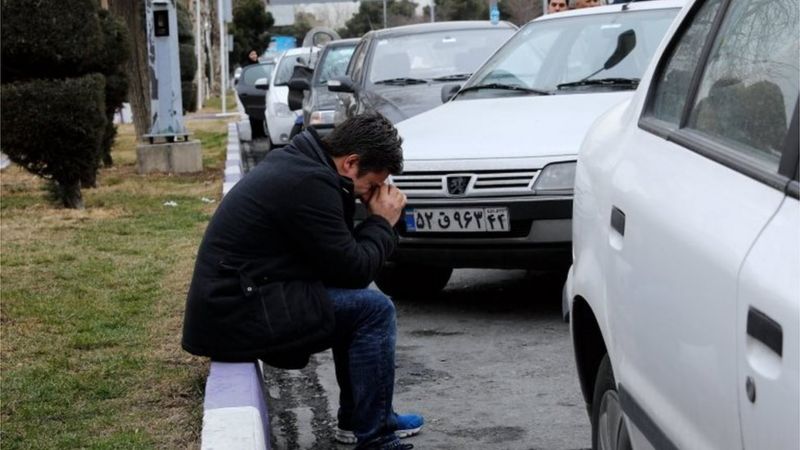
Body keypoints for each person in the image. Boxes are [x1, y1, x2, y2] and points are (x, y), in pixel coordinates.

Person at [181, 113, 423, 450]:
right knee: (374, 309)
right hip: (235, 312)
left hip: (243, 299)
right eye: (371, 186)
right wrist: (381, 222)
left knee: (358, 304)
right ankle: (377, 437)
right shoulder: (309, 182)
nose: (369, 195)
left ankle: (361, 419)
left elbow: (340, 263)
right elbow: (353, 269)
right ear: (352, 163)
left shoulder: (308, 166)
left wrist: (375, 224)